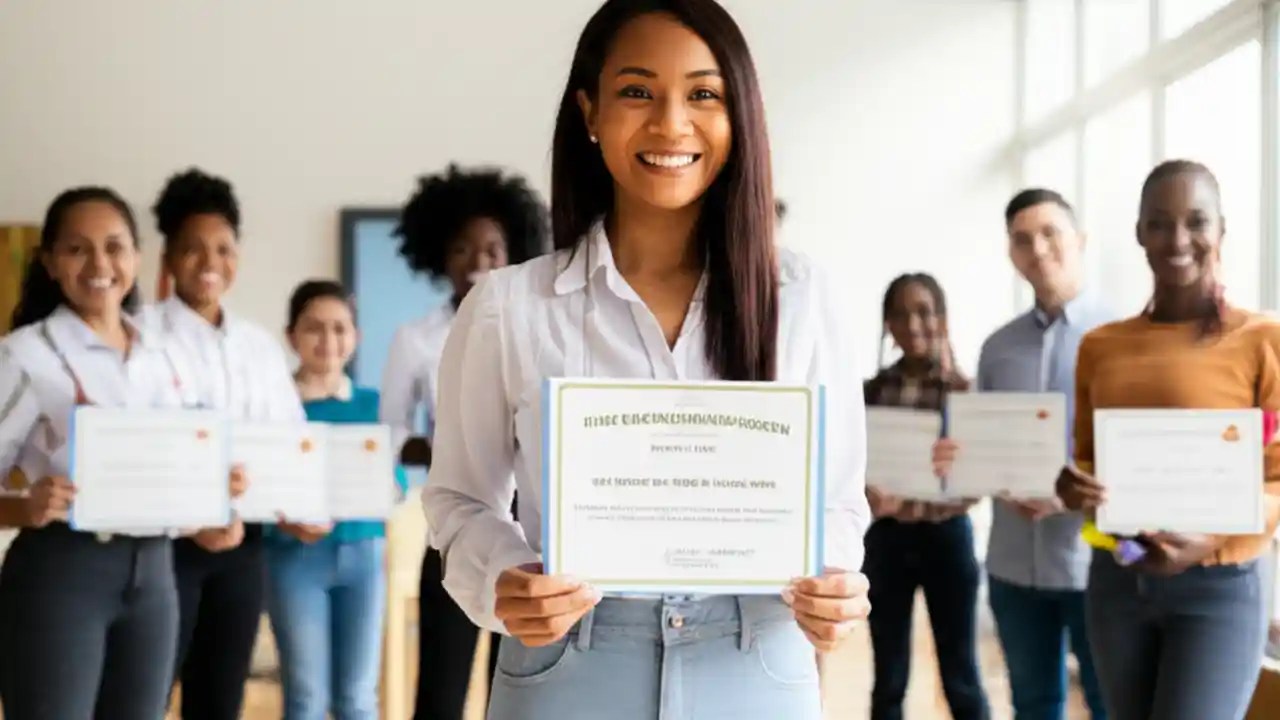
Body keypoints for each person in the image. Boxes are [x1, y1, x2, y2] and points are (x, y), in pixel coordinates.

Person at [422, 1, 871, 718]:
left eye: (703, 93)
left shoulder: (804, 297)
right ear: (589, 112)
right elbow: (460, 498)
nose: (670, 123)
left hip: (757, 658)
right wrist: (503, 577)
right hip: (568, 662)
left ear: (739, 115)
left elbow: (840, 499)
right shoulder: (509, 307)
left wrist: (837, 578)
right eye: (636, 91)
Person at [0, 187, 241, 718]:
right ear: (50, 262)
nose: (100, 264)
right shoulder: (24, 356)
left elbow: (182, 465)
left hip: (157, 577)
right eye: (77, 249)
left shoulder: (168, 355)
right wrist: (25, 506)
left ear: (136, 256)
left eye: (115, 247)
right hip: (62, 573)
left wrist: (217, 501)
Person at [1055, 160, 1279, 720]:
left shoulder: (1264, 340)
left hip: (1220, 589)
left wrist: (1214, 535)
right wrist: (1070, 483)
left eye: (1196, 221)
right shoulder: (1101, 346)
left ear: (1221, 231)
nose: (1178, 239)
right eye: (1160, 222)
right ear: (1139, 233)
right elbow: (1086, 461)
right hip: (1118, 578)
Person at [376, 163, 548, 720]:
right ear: (438, 257)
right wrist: (439, 445)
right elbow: (392, 429)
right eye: (463, 250)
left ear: (513, 252)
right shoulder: (415, 338)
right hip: (453, 518)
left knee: (519, 682)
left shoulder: (534, 329)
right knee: (441, 685)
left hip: (532, 526)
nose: (479, 262)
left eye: (493, 249)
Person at [937, 188, 1110, 719]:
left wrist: (1070, 495)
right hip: (1013, 565)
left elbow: (1133, 452)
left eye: (1050, 233)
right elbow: (978, 451)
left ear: (1079, 241)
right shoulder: (997, 348)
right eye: (1022, 239)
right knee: (1033, 706)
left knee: (1109, 705)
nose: (1037, 248)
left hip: (1094, 565)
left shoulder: (1117, 339)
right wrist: (956, 462)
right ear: (1012, 255)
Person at [140, 167, 305, 720]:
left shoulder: (258, 347)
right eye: (192, 248)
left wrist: (297, 507)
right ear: (167, 257)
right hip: (165, 547)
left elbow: (289, 441)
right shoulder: (139, 336)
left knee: (221, 697)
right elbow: (137, 447)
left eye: (223, 248)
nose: (209, 262)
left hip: (243, 547)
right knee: (146, 692)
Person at [265, 279, 407, 720]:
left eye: (339, 328)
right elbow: (257, 487)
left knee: (358, 697)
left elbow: (396, 484)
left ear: (355, 337)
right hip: (294, 558)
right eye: (314, 328)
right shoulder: (272, 405)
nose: (328, 340)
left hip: (364, 555)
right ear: (291, 336)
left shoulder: (374, 405)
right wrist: (283, 518)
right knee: (306, 695)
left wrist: (385, 483)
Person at [863, 273, 988, 720]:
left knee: (961, 675)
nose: (912, 323)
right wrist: (870, 497)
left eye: (923, 311)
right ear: (887, 324)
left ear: (942, 319)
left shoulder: (964, 393)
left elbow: (977, 484)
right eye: (899, 312)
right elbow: (852, 471)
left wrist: (951, 476)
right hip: (886, 542)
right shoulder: (871, 392)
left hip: (946, 539)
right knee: (889, 677)